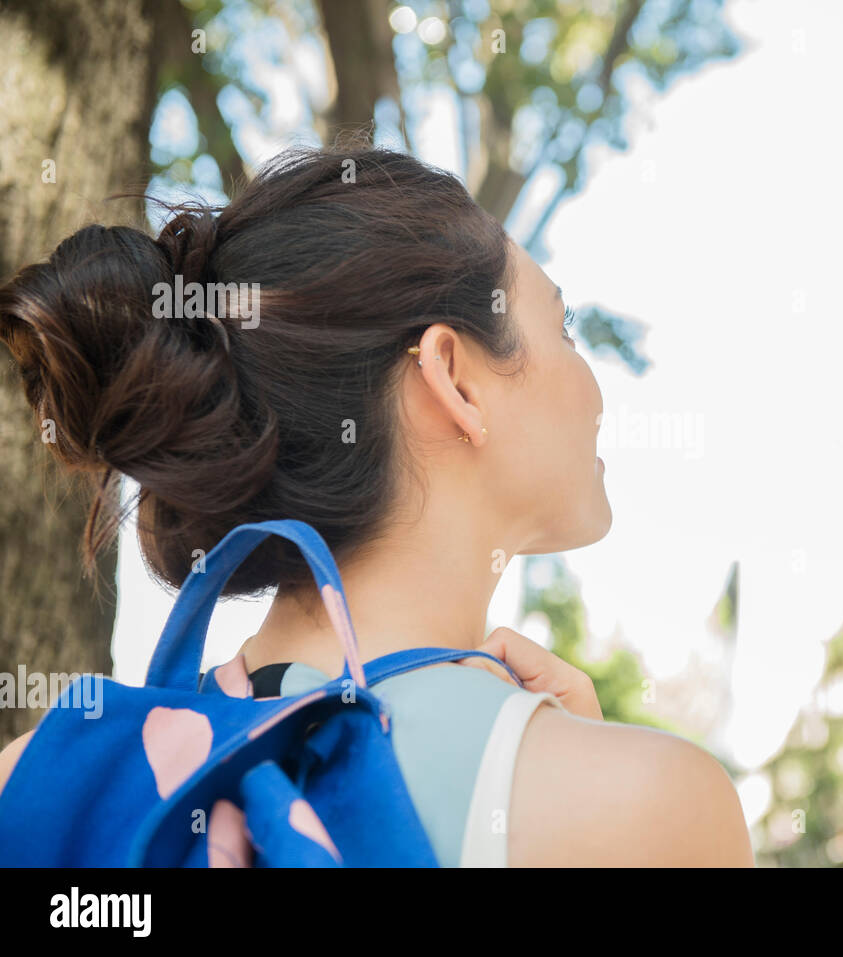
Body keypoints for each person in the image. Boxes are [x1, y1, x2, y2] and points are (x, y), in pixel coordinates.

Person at [0, 145, 753, 867]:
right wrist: (588, 777)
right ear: (454, 378)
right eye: (564, 326)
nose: (595, 386)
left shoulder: (37, 776)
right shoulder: (653, 805)